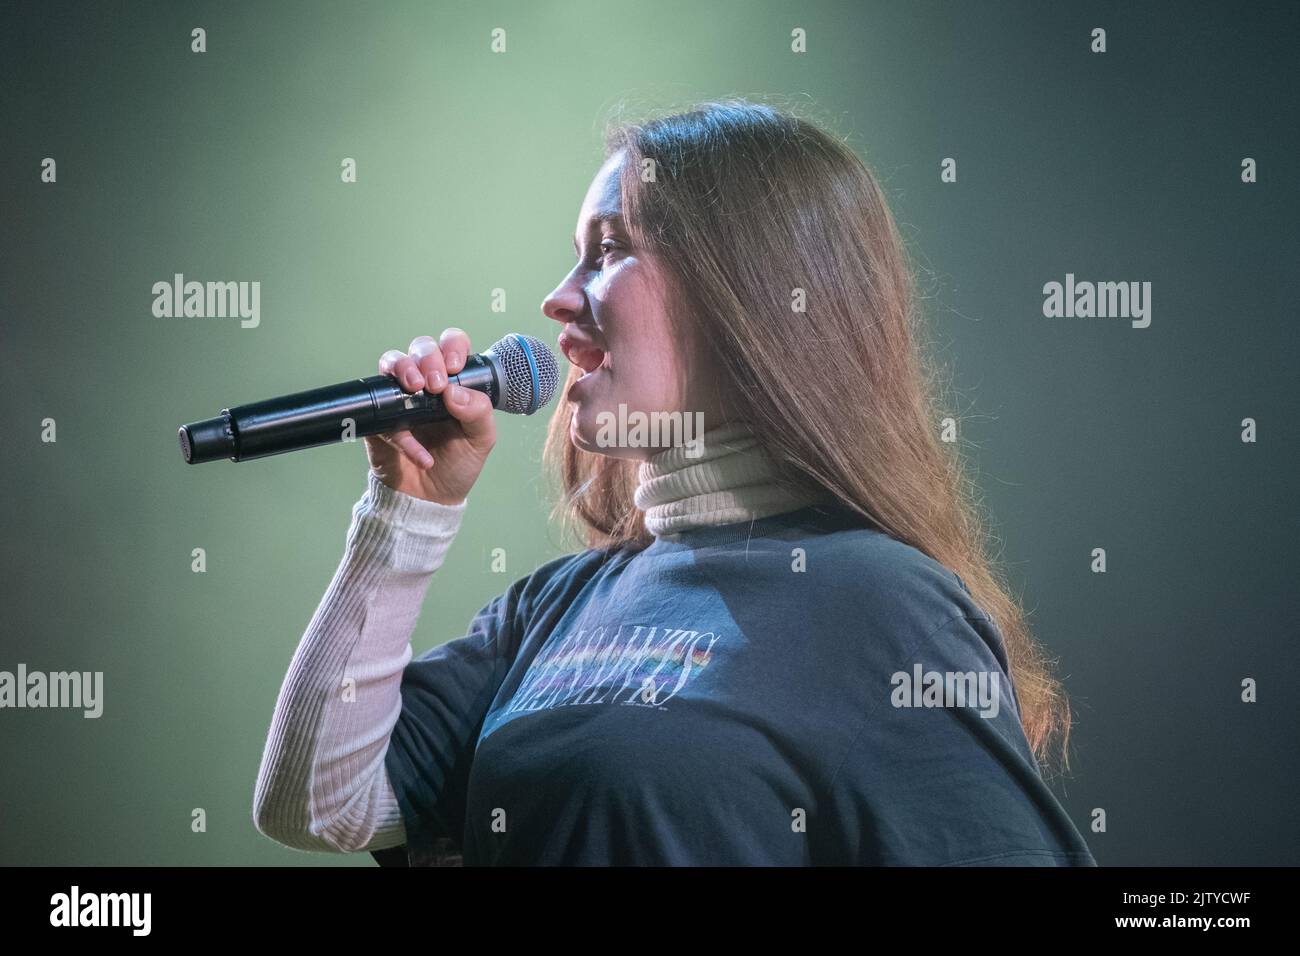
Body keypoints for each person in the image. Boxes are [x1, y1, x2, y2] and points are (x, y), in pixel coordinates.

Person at [253, 99, 1097, 866]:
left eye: (610, 249)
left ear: (753, 292)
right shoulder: (556, 606)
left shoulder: (879, 601)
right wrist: (407, 510)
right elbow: (319, 805)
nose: (555, 299)